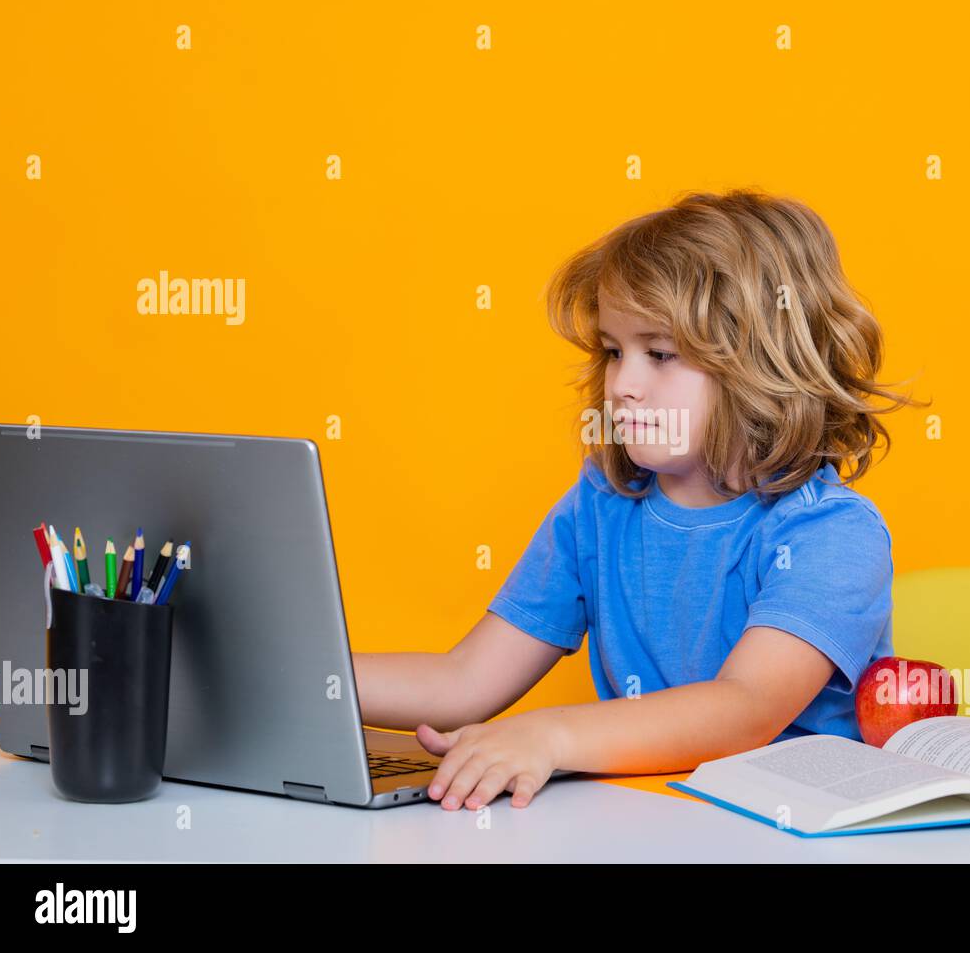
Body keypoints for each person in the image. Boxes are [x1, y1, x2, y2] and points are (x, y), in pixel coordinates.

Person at [353, 188, 927, 811]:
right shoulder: (600, 504)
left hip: (785, 832)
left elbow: (747, 709)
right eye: (612, 351)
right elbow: (461, 682)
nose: (622, 385)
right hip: (641, 823)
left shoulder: (829, 532)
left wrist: (553, 732)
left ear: (764, 363)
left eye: (660, 354)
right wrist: (297, 677)